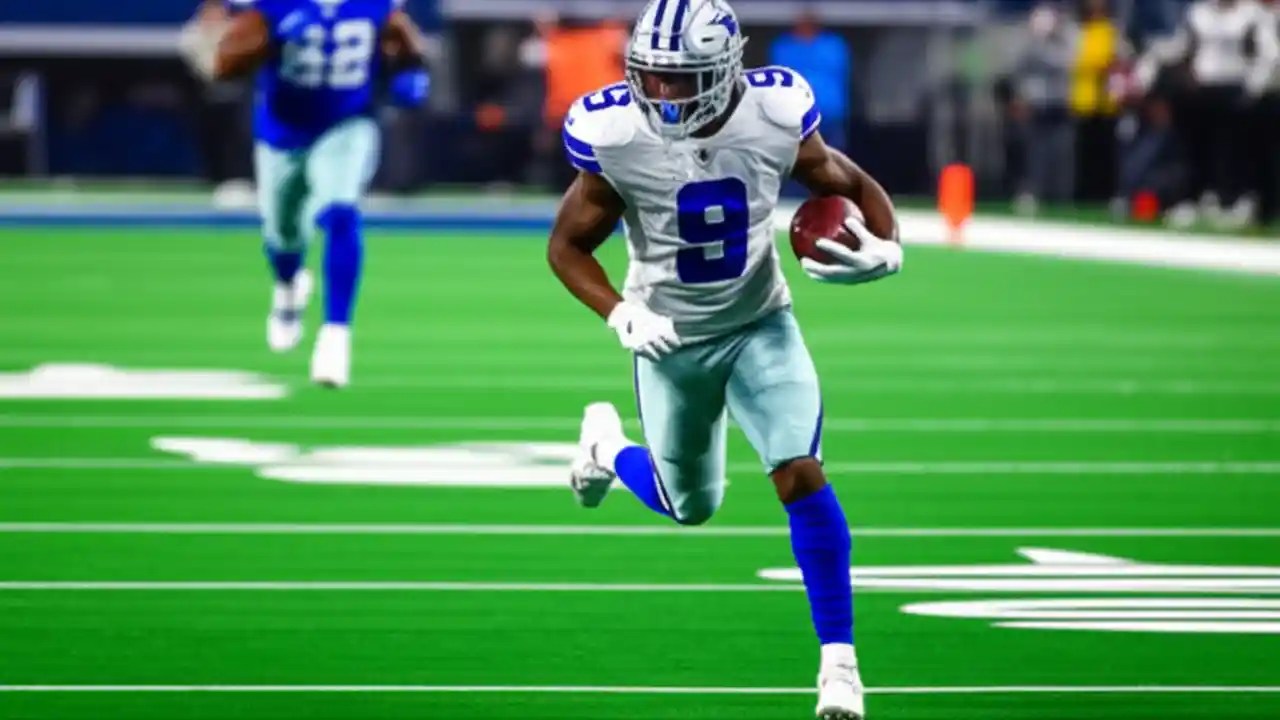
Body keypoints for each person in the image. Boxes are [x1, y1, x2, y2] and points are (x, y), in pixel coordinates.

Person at [546, 1, 903, 717]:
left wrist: (888, 248)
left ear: (724, 71)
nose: (663, 93)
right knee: (691, 506)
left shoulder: (772, 114)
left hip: (760, 323)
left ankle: (839, 665)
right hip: (669, 338)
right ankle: (609, 448)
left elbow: (847, 183)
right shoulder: (613, 135)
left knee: (800, 471)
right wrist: (620, 312)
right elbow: (566, 247)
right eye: (652, 76)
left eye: (681, 80)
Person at [178, 0, 431, 387]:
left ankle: (335, 333)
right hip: (283, 132)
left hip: (348, 122)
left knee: (341, 212)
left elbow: (405, 39)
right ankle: (287, 288)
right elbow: (224, 58)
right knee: (283, 236)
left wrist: (409, 71)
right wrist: (247, 49)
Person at [768, 7, 852, 152]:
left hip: (830, 116)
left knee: (835, 160)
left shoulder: (834, 45)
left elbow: (840, 74)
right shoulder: (783, 46)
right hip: (795, 117)